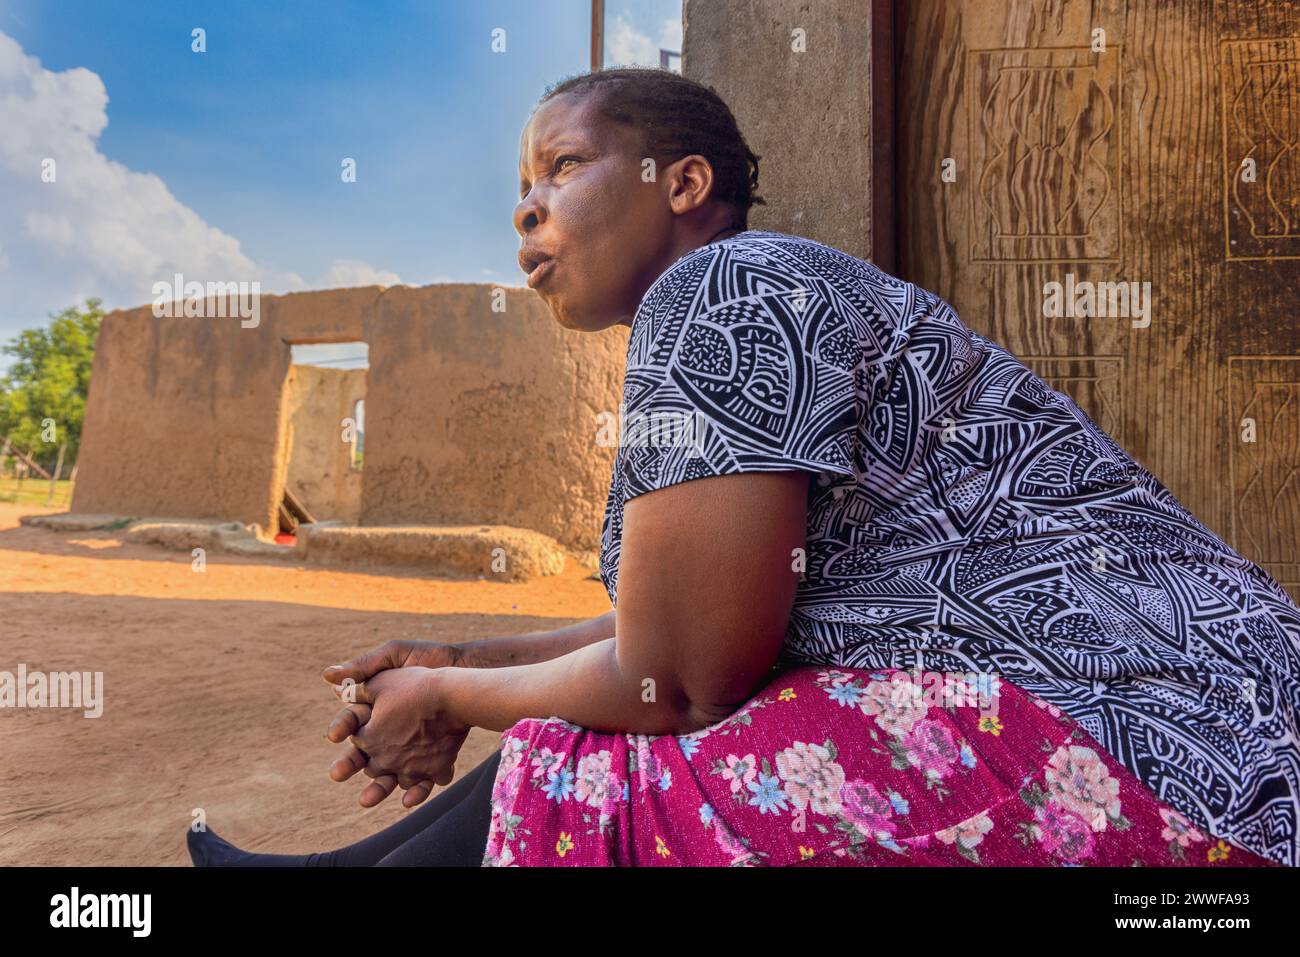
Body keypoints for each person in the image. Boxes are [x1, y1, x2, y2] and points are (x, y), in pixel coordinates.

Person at [189, 67, 1299, 868]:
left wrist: (448, 692)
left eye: (562, 167)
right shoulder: (755, 294)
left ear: (680, 184)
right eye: (522, 185)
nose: (526, 207)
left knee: (646, 765)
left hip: (1187, 773)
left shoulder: (724, 293)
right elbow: (702, 626)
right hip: (1224, 741)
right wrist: (460, 653)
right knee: (599, 721)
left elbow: (678, 679)